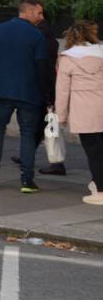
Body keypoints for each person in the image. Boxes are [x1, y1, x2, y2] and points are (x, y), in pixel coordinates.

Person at [0, 0, 49, 193]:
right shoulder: (37, 36)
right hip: (29, 93)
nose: (41, 17)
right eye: (39, 13)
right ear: (26, 12)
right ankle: (27, 180)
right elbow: (41, 69)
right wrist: (47, 96)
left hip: (1, 91)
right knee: (27, 135)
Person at [55, 20, 103, 205]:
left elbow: (62, 91)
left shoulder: (67, 59)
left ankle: (100, 191)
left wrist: (62, 116)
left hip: (84, 111)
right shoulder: (101, 55)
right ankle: (97, 183)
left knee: (94, 152)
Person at [14, 14, 67, 177]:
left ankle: (57, 163)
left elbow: (44, 69)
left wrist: (48, 95)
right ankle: (27, 156)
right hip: (46, 88)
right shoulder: (48, 39)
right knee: (40, 124)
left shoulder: (42, 40)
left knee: (46, 125)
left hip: (43, 89)